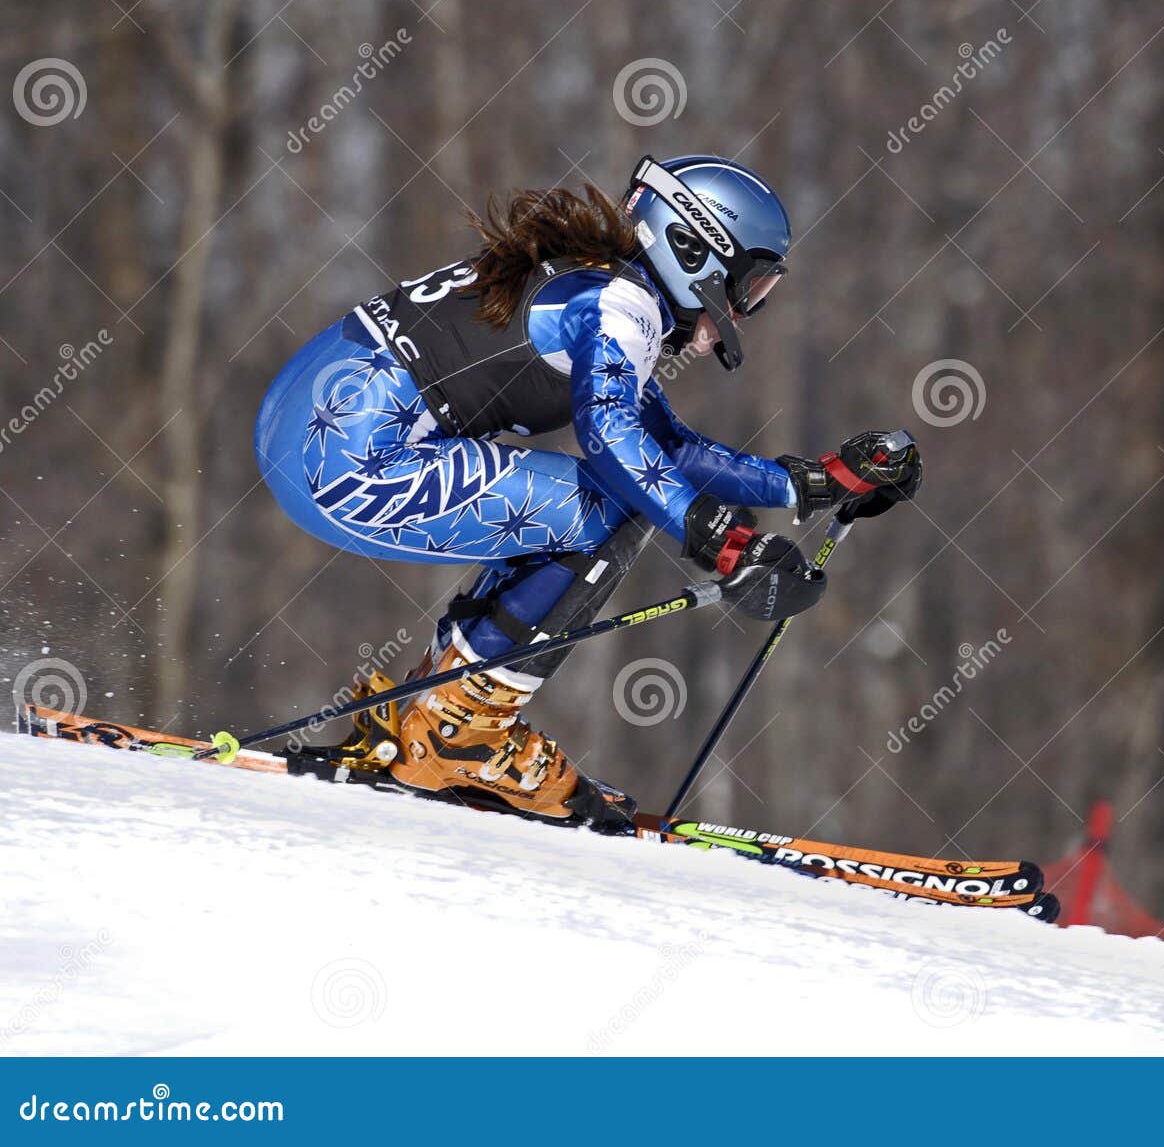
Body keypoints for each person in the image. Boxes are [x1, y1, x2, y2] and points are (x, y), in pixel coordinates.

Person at [253, 154, 921, 830]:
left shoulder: (605, 291)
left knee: (606, 497)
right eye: (752, 284)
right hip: (344, 455)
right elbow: (608, 433)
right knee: (610, 507)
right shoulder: (621, 305)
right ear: (696, 249)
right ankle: (462, 731)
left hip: (309, 432)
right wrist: (721, 540)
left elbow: (666, 448)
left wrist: (813, 483)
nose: (747, 311)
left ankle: (435, 721)